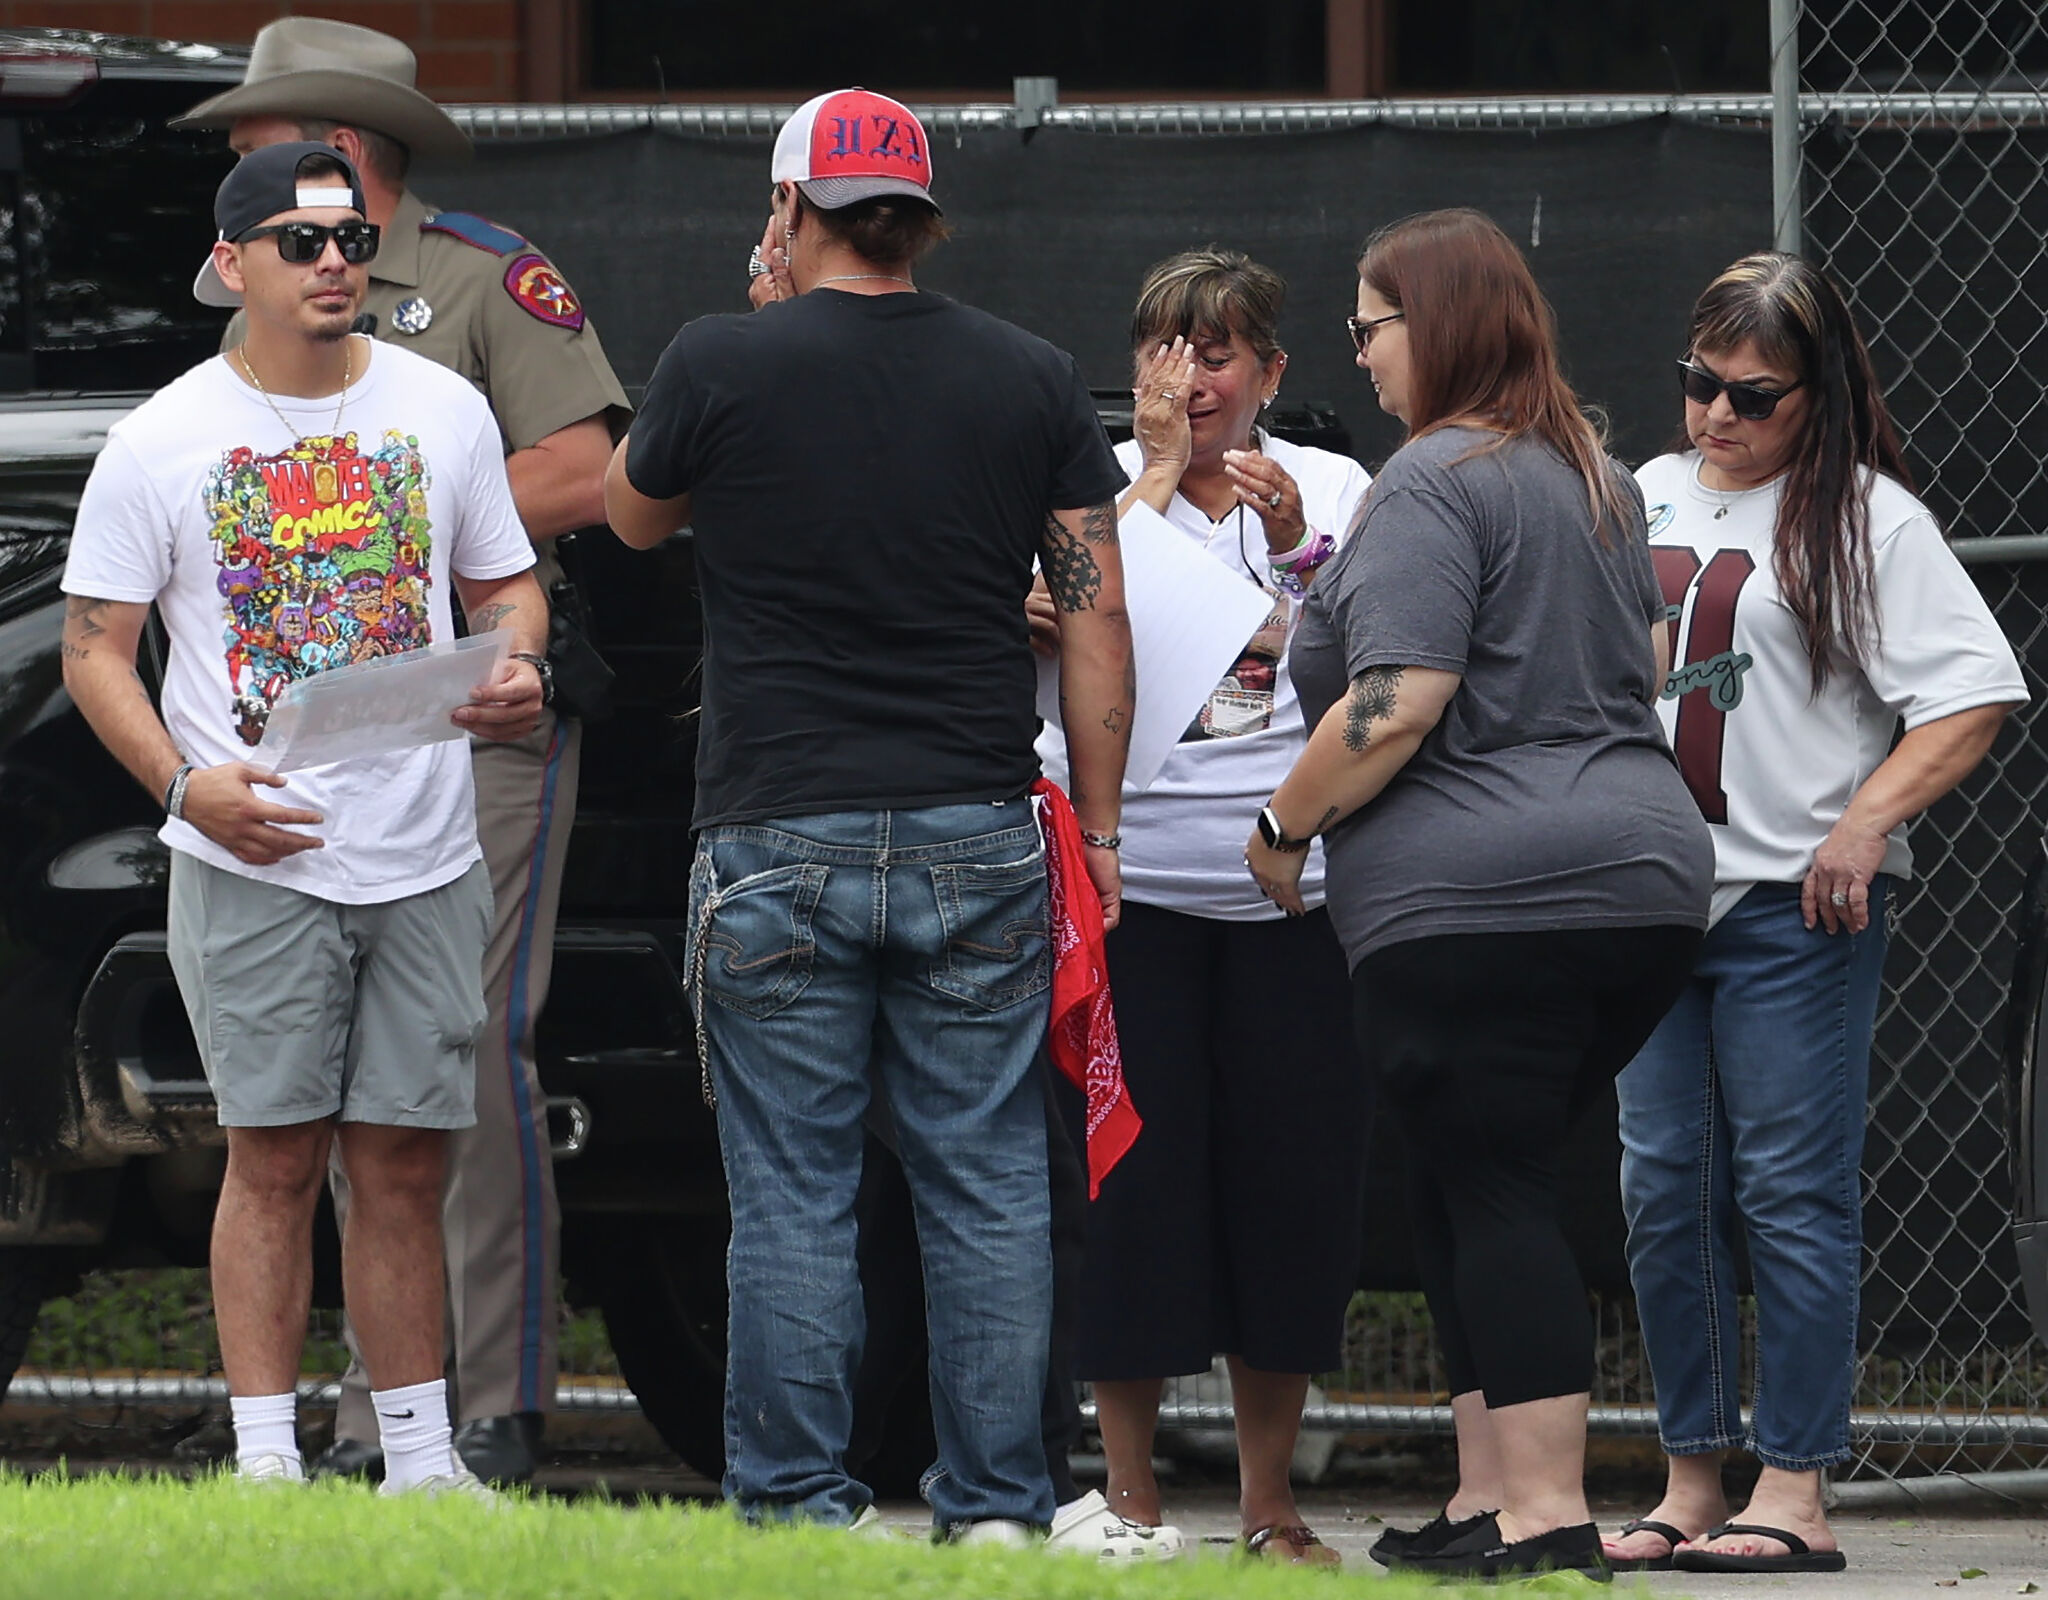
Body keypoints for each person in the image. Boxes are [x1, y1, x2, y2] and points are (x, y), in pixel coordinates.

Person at [604, 88, 1133, 1541]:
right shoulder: (1029, 376)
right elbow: (1098, 622)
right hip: (976, 827)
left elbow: (630, 513)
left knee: (792, 1193)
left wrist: (758, 323)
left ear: (792, 210)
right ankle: (1001, 1507)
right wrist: (1097, 826)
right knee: (987, 1184)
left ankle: (793, 1505)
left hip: (778, 831)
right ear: (924, 219)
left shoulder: (722, 362)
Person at [173, 16, 632, 1486]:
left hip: (462, 720)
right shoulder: (240, 275)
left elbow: (592, 464)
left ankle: (468, 1409)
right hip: (290, 739)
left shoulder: (487, 271)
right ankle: (335, 1416)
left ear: (347, 145)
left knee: (456, 1062)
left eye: (257, 141)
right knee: (289, 1104)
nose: (244, 172)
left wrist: (383, 506)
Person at [59, 143, 547, 1492]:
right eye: (298, 242)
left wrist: (519, 666)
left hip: (427, 849)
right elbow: (94, 648)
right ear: (232, 266)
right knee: (269, 1158)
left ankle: (420, 1459)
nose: (335, 262)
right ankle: (267, 1461)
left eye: (348, 239)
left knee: (401, 1162)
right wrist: (182, 786)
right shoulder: (162, 440)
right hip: (252, 849)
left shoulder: (441, 410)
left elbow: (508, 587)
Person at [1244, 207, 1715, 1583]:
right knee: (1465, 1178)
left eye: (1371, 325)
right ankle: (1486, 1494)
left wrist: (1283, 828)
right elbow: (1624, 661)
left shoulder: (1428, 482)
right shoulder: (1598, 479)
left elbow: (1400, 699)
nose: (1365, 354)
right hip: (1638, 883)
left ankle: (1549, 1520)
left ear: (1433, 326)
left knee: (1494, 1179)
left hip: (1480, 901)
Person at [1601, 253, 2024, 1577]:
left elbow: (1972, 692)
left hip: (1793, 908)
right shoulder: (1634, 496)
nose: (1718, 416)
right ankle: (1687, 1480)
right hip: (1646, 905)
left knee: (1789, 1192)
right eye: (1698, 385)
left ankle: (1794, 1489)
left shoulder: (1866, 515)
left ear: (1815, 394)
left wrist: (1865, 819)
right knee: (1663, 1191)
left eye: (1753, 395)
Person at [1028, 249, 1371, 1566]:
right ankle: (1128, 1496)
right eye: (1164, 352)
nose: (1191, 378)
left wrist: (1291, 551)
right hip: (1135, 896)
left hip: (1294, 900)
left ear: (1274, 372)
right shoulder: (1099, 487)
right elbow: (1038, 609)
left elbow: (1380, 653)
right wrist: (1158, 485)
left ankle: (1270, 1502)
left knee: (1290, 1192)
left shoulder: (1334, 489)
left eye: (1218, 352)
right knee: (1135, 1190)